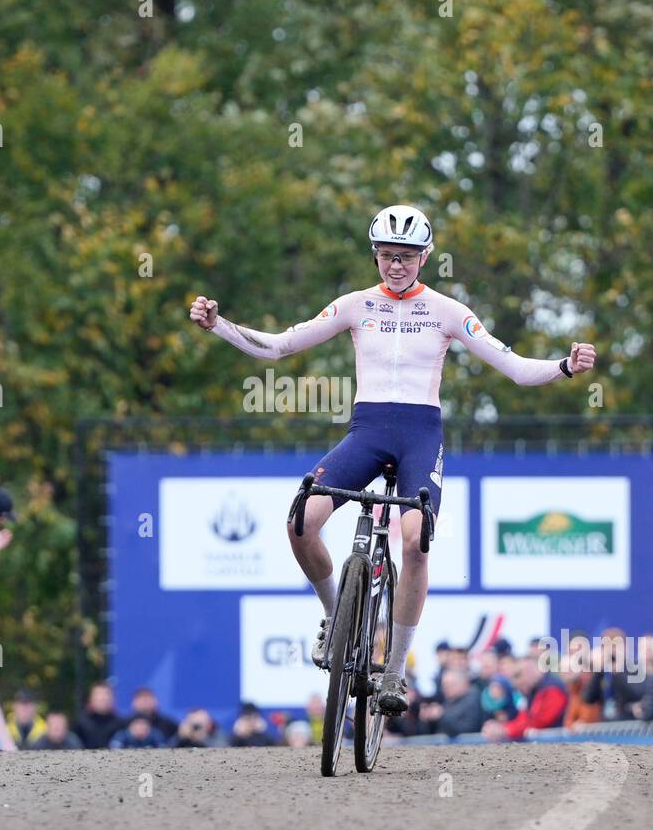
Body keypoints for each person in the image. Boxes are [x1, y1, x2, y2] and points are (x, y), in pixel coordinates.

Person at [189, 204, 596, 715]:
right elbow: (278, 347)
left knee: (414, 541)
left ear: (425, 257)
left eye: (405, 257)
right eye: (386, 256)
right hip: (367, 432)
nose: (395, 266)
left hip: (419, 437)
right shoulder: (356, 305)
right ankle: (336, 619)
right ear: (375, 255)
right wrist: (219, 325)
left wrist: (564, 366)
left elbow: (514, 368)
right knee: (300, 523)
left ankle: (396, 672)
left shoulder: (449, 311)